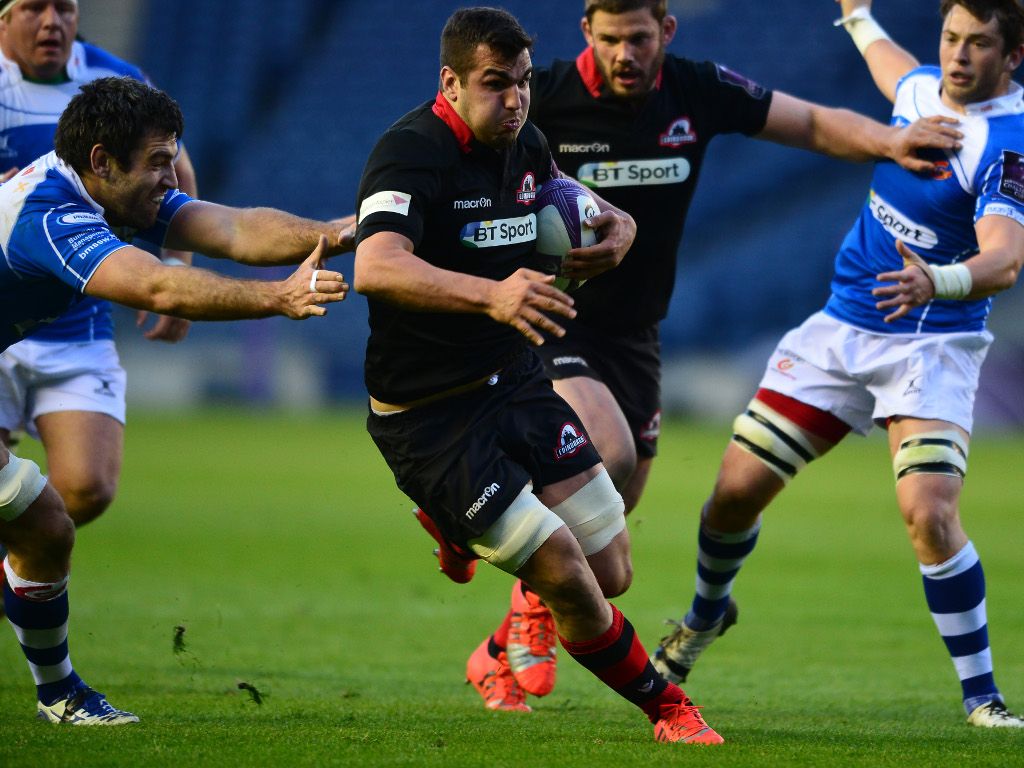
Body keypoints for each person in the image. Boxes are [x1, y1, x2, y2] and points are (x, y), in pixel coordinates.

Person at [420, 0, 966, 706]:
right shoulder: (541, 94)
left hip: (636, 334)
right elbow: (455, 144)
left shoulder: (695, 88)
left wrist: (890, 142)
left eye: (638, 38)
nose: (624, 53)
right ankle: (527, 603)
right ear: (587, 32)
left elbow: (808, 122)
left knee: (609, 519)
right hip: (556, 318)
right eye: (609, 38)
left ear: (666, 32)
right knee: (606, 453)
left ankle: (494, 645)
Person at [651, 0, 1024, 729]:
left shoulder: (1008, 143)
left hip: (932, 343)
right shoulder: (922, 89)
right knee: (731, 497)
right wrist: (857, 16)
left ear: (1012, 57)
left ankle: (983, 697)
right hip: (843, 329)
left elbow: (1005, 260)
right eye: (951, 37)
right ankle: (704, 615)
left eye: (979, 44)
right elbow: (894, 70)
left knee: (929, 513)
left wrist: (938, 280)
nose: (958, 55)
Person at [355, 6, 723, 745]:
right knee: (564, 571)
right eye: (496, 84)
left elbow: (567, 195)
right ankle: (668, 710)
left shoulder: (525, 144)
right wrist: (493, 294)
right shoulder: (408, 152)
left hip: (513, 383)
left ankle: (459, 541)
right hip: (430, 420)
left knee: (611, 571)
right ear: (451, 83)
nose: (516, 99)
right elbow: (376, 265)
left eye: (523, 82)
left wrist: (619, 223)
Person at [0, 75, 350, 724]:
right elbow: (158, 288)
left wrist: (342, 232)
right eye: (160, 161)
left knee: (45, 528)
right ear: (103, 160)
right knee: (43, 525)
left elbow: (234, 228)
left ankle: (59, 696)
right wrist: (278, 297)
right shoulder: (51, 214)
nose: (172, 177)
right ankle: (60, 695)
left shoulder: (110, 192)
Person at [0, 0, 199, 558]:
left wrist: (178, 268)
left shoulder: (113, 79)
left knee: (88, 488)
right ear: (4, 17)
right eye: (34, 8)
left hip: (75, 316)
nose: (52, 21)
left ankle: (20, 564)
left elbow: (177, 169)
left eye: (64, 8)